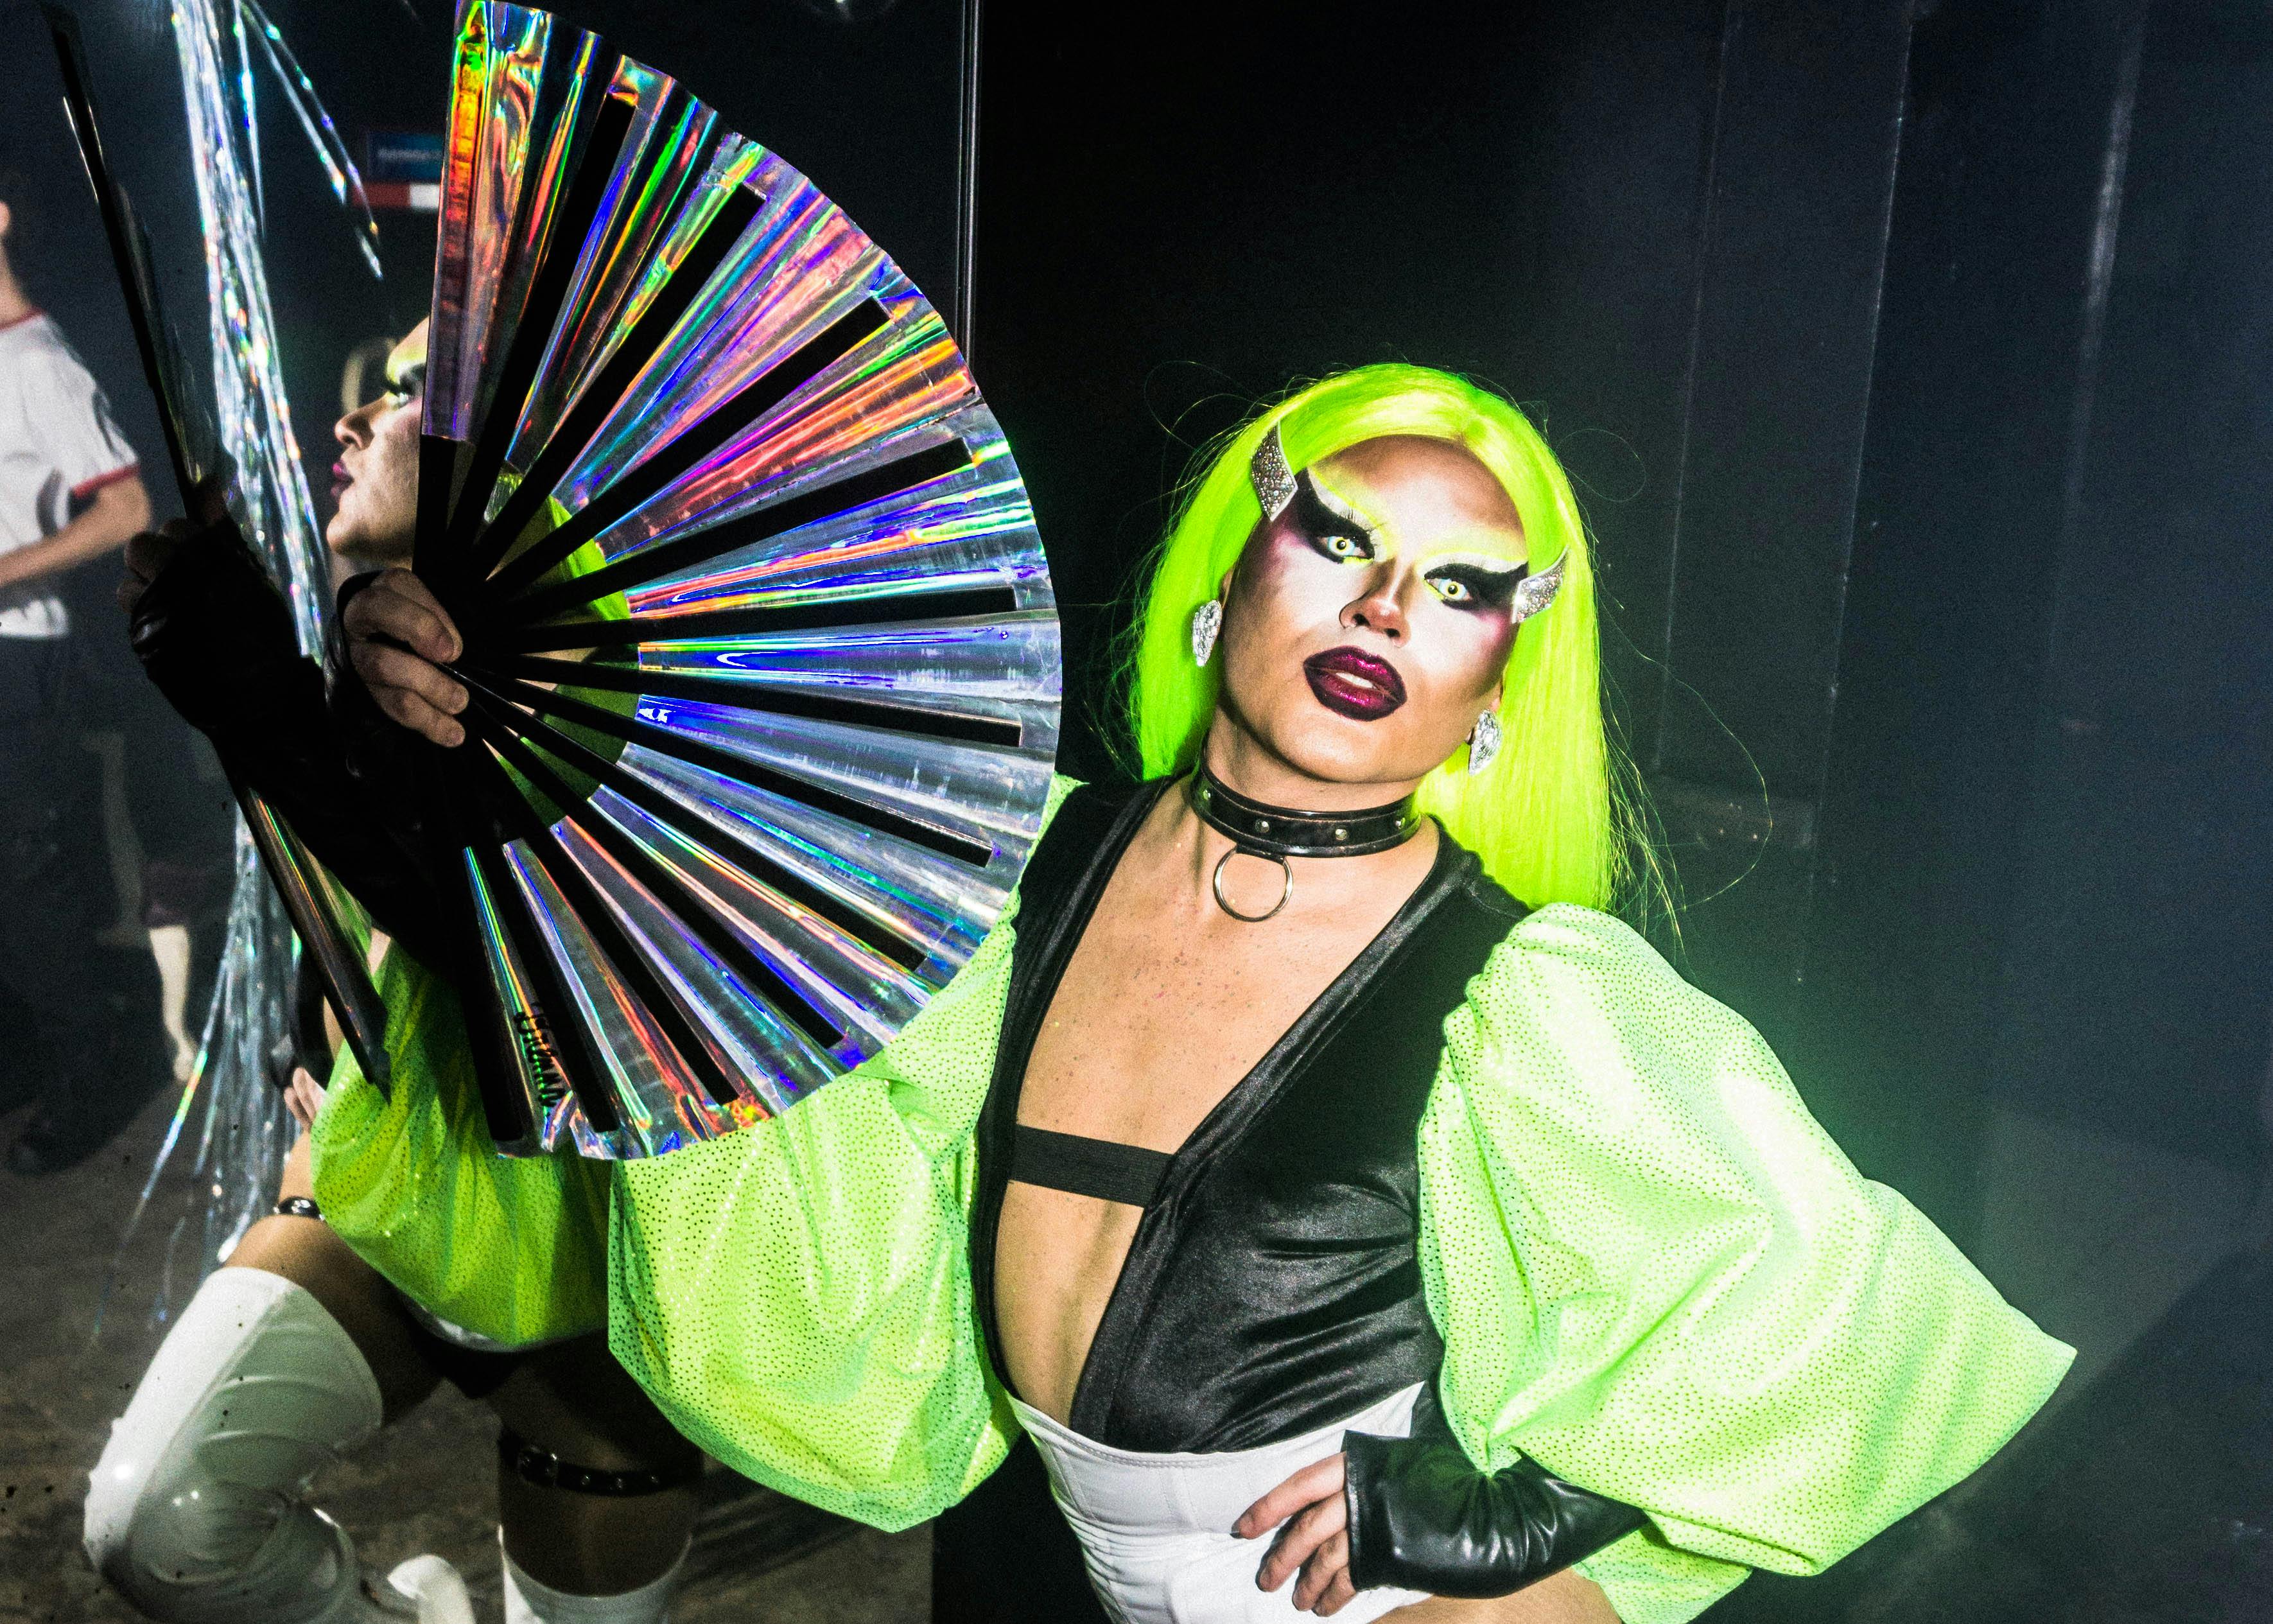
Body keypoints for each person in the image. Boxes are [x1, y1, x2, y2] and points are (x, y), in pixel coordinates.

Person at [346, 363, 2073, 1623]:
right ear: (1225, 577)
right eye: (1339, 535)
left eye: (1465, 590)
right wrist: (490, 689)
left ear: (1489, 696)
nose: (1389, 603)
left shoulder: (1522, 993)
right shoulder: (1000, 872)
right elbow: (699, 831)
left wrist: (1521, 1512)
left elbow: (1850, 1314)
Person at [89, 323, 705, 1624]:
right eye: (372, 385)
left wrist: (255, 691)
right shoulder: (394, 651)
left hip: (599, 1277)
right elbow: (360, 912)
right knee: (154, 1518)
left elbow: (511, 956)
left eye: (417, 391)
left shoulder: (652, 687)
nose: (354, 418)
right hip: (393, 1189)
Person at [0, 171, 157, 1174]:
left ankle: (89, 1073)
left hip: (21, 656)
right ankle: (43, 1053)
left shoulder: (40, 362)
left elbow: (128, 508)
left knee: (27, 885)